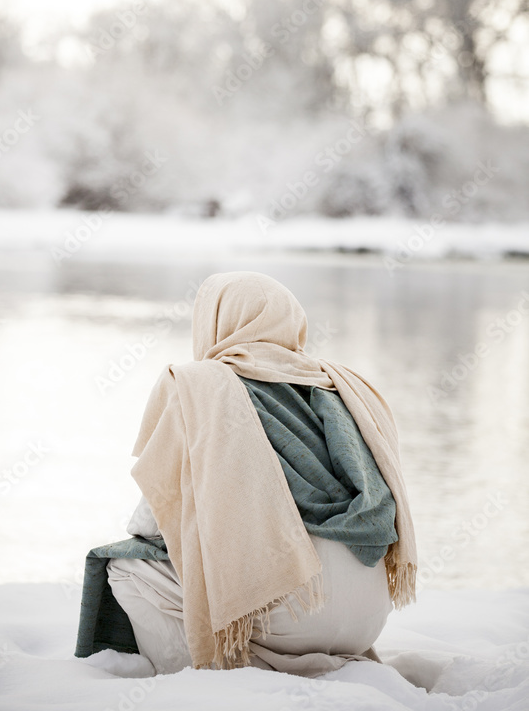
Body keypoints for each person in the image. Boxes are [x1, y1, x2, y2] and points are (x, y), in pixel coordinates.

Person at [77, 270, 417, 677]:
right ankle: (300, 660)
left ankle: (207, 676)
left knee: (127, 566)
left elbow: (152, 523)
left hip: (295, 613)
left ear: (215, 322)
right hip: (369, 614)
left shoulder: (201, 386)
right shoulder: (341, 386)